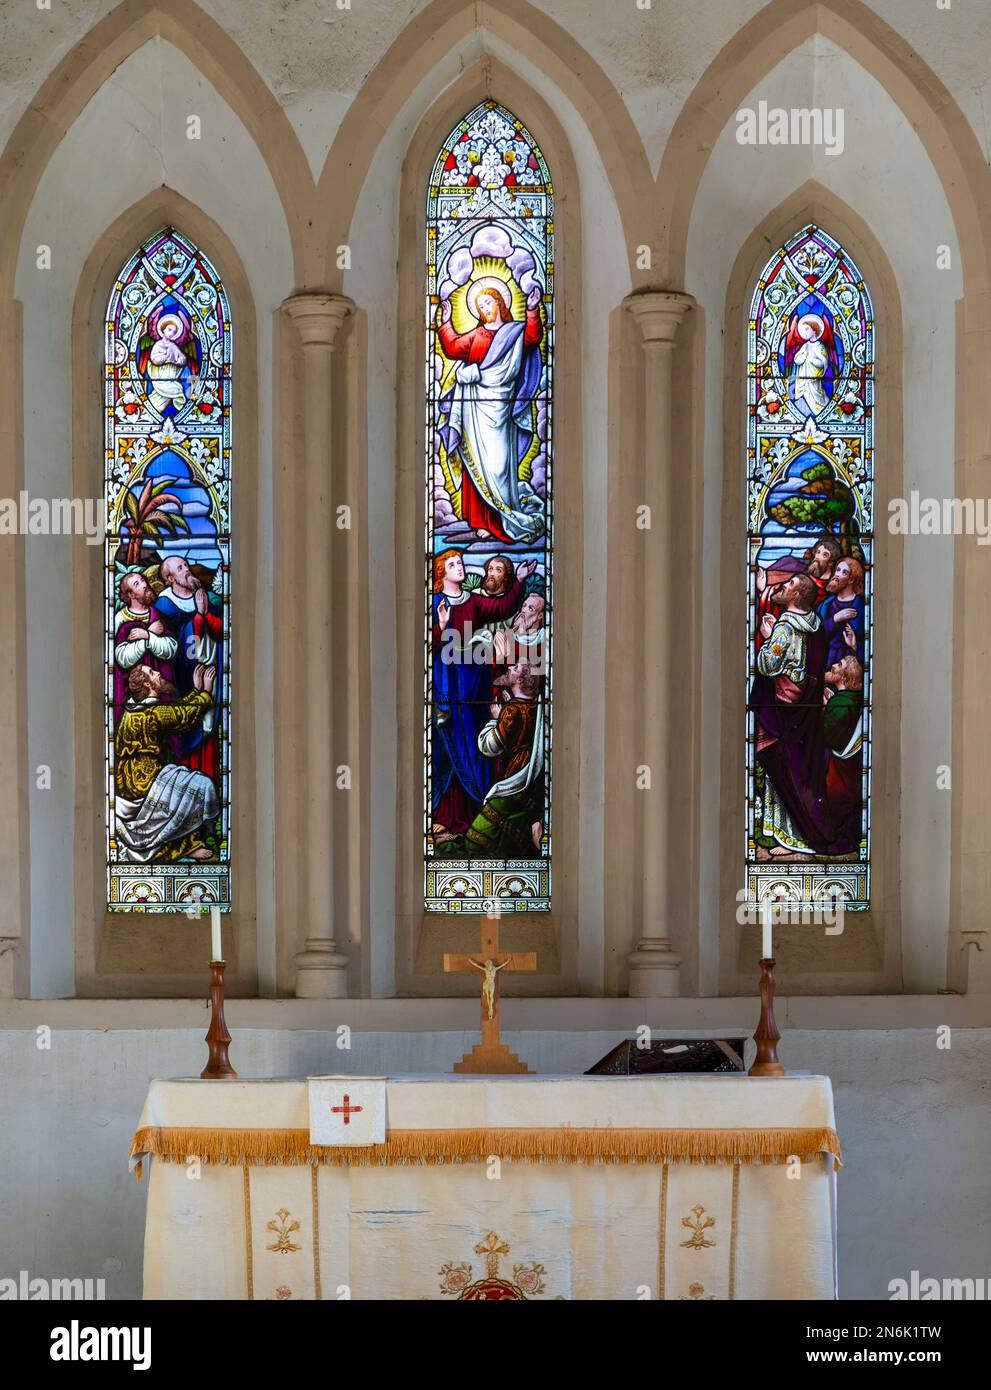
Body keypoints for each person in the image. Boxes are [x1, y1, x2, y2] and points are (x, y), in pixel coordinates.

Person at [431, 548, 535, 837]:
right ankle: (445, 815)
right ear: (442, 573)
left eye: (461, 562)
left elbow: (501, 608)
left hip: (472, 682)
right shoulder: (437, 603)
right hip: (447, 682)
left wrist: (519, 581)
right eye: (452, 564)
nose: (460, 567)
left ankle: (472, 810)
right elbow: (428, 642)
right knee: (448, 743)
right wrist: (440, 626)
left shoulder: (473, 601)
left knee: (472, 743)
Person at [437, 278, 545, 543]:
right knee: (475, 462)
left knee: (500, 465)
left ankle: (503, 518)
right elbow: (452, 348)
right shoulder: (477, 334)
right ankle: (478, 522)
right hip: (474, 409)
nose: (484, 307)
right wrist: (446, 322)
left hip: (501, 407)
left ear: (499, 302)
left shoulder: (514, 332)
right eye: (479, 305)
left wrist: (532, 310)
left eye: (488, 301)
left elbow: (533, 337)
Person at [113, 662, 219, 863]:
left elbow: (175, 712)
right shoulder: (152, 712)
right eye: (152, 673)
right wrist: (205, 693)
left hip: (133, 781)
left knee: (188, 782)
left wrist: (196, 692)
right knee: (201, 785)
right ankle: (188, 844)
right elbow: (183, 716)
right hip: (146, 783)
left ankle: (188, 844)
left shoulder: (133, 709)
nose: (159, 673)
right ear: (148, 686)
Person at [112, 572, 177, 727]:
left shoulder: (158, 616)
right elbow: (122, 657)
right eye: (137, 584)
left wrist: (147, 635)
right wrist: (148, 637)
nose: (144, 584)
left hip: (160, 687)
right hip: (132, 693)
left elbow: (171, 648)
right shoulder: (120, 618)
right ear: (130, 594)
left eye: (143, 580)